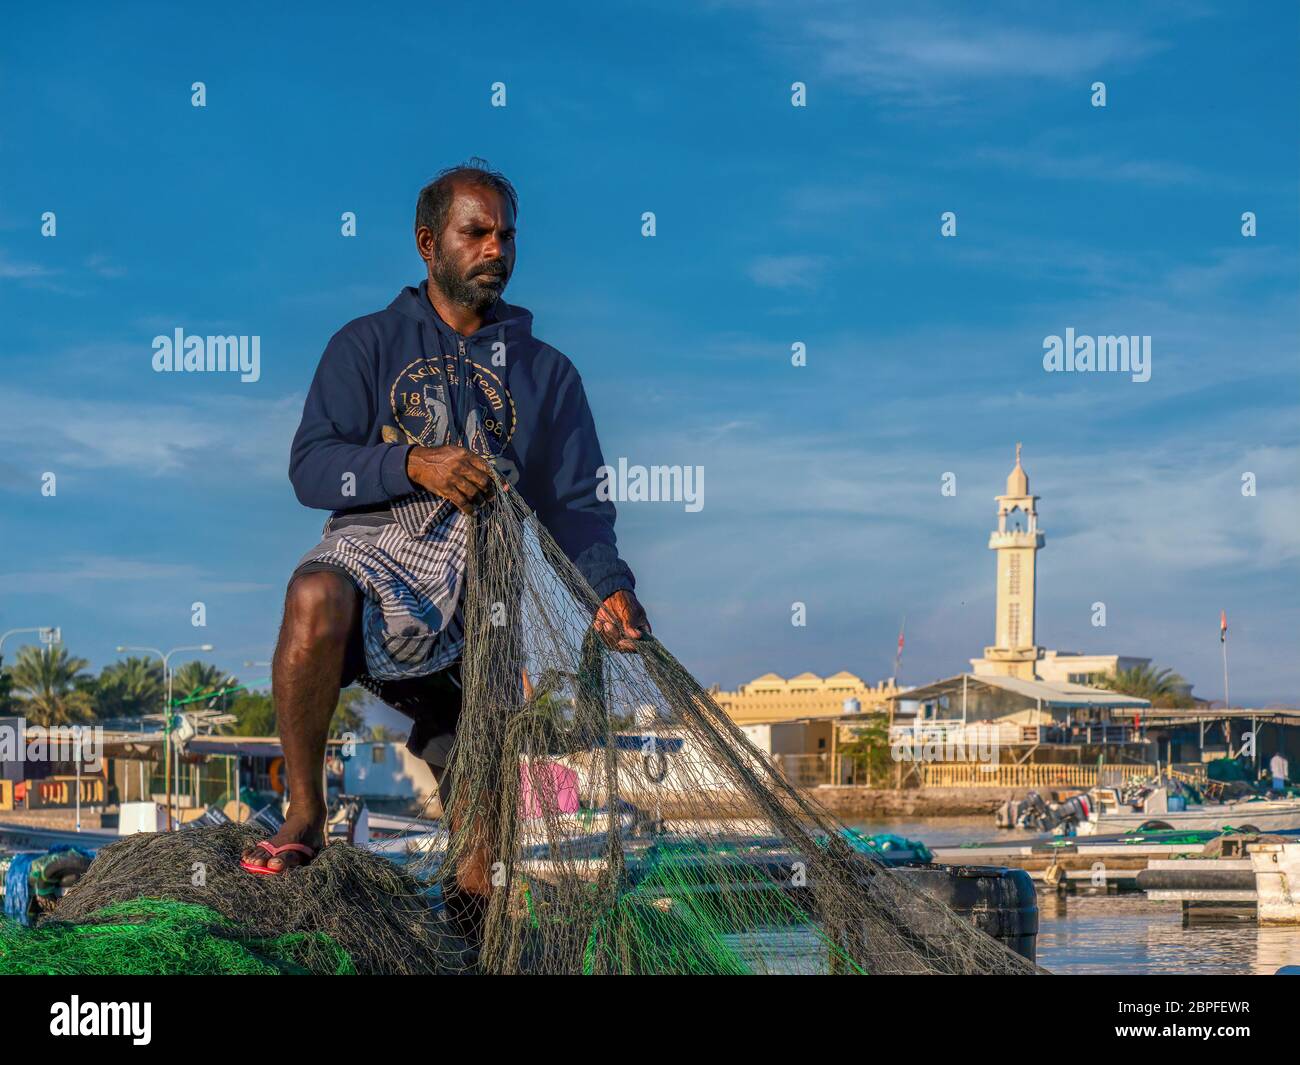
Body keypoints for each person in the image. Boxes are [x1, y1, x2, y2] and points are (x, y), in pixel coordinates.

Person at [241, 161, 651, 904]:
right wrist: (410, 462)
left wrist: (609, 588)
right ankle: (305, 810)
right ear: (429, 243)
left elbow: (577, 505)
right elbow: (311, 468)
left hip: (480, 598)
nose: (496, 248)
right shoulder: (365, 344)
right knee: (312, 595)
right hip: (373, 569)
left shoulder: (548, 374)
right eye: (476, 232)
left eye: (506, 234)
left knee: (483, 876)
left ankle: (471, 921)